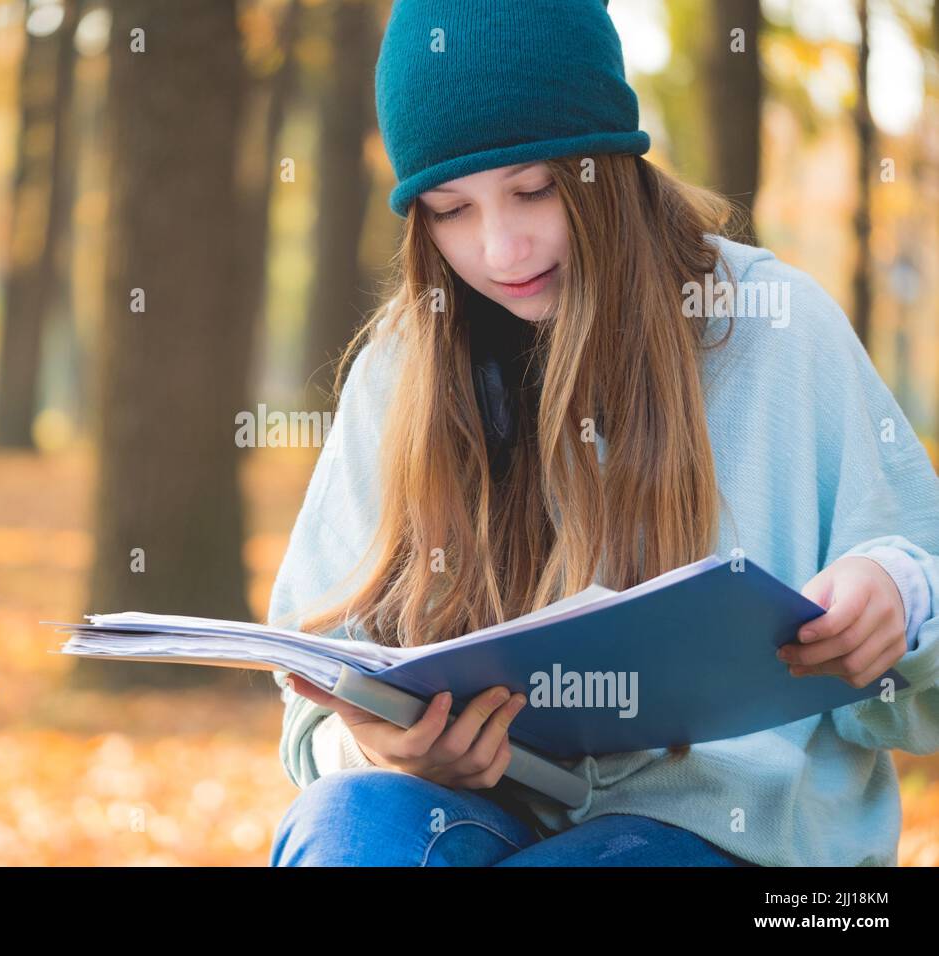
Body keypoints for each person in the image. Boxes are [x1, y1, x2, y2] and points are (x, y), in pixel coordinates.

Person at [267, 0, 939, 867]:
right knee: (346, 830)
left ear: (606, 167)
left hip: (728, 843)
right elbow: (313, 701)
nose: (501, 249)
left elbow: (914, 665)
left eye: (534, 190)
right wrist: (379, 746)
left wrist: (899, 601)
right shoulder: (400, 368)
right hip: (477, 815)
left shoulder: (775, 329)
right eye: (449, 208)